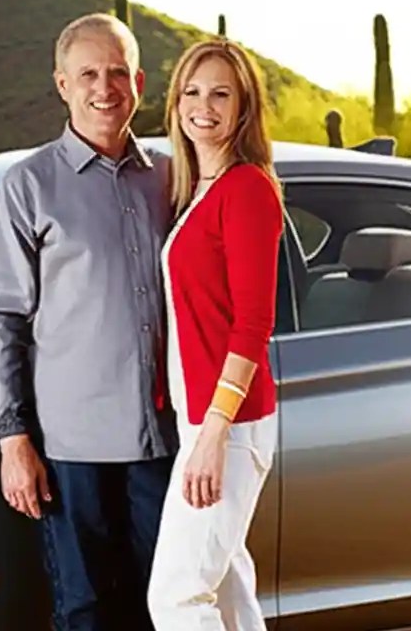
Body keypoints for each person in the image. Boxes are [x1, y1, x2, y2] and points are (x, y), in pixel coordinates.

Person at [0, 12, 178, 631]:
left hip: (166, 444)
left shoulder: (172, 178)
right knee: (86, 614)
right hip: (72, 454)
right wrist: (14, 441)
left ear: (139, 80)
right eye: (88, 72)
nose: (104, 87)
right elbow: (0, 319)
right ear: (62, 84)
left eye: (118, 71)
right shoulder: (27, 186)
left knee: (167, 606)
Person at [146, 39, 284, 630]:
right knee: (229, 592)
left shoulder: (247, 189)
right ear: (176, 102)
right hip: (201, 420)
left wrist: (212, 434)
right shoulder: (199, 190)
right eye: (193, 91)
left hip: (227, 425)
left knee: (177, 598)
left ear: (243, 107)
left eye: (221, 93)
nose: (204, 105)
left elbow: (254, 323)